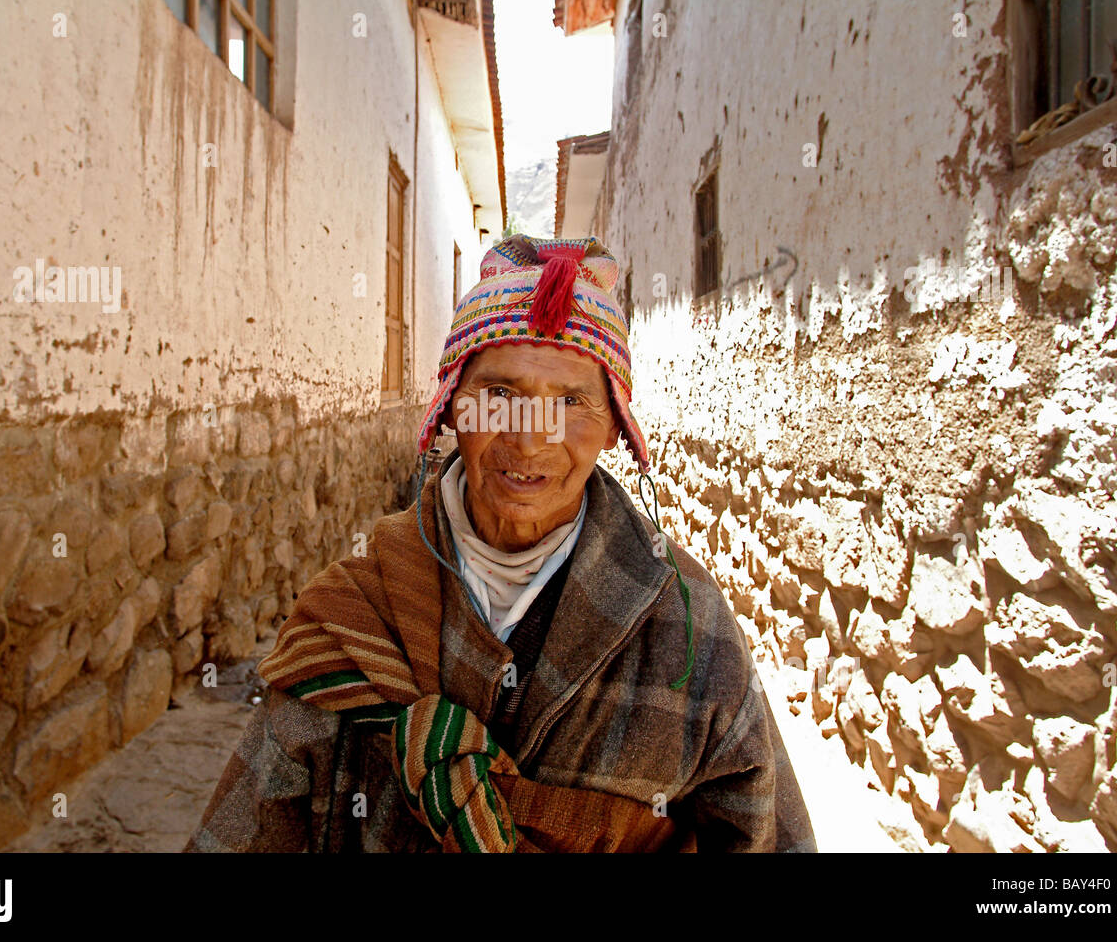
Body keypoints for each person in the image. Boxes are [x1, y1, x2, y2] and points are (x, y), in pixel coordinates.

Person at [184, 234, 815, 852]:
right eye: (500, 395)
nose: (530, 438)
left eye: (571, 400)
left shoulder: (687, 632)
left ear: (615, 429)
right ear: (451, 409)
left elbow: (762, 828)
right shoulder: (354, 610)